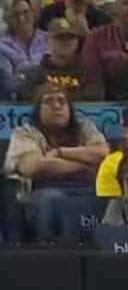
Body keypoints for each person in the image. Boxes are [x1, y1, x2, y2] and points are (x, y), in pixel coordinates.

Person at [3, 81, 108, 241]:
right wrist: (86, 162)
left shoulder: (85, 127)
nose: (57, 106)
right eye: (49, 101)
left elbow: (103, 153)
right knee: (49, 200)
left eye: (61, 101)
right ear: (38, 109)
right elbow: (34, 166)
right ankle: (51, 249)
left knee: (110, 198)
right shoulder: (25, 133)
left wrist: (60, 152)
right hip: (44, 192)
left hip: (89, 189)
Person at [20, 17, 103, 100]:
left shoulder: (89, 74)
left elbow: (93, 98)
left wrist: (53, 93)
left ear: (77, 42)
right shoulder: (34, 74)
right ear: (48, 40)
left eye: (70, 38)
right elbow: (25, 97)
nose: (65, 42)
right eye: (59, 37)